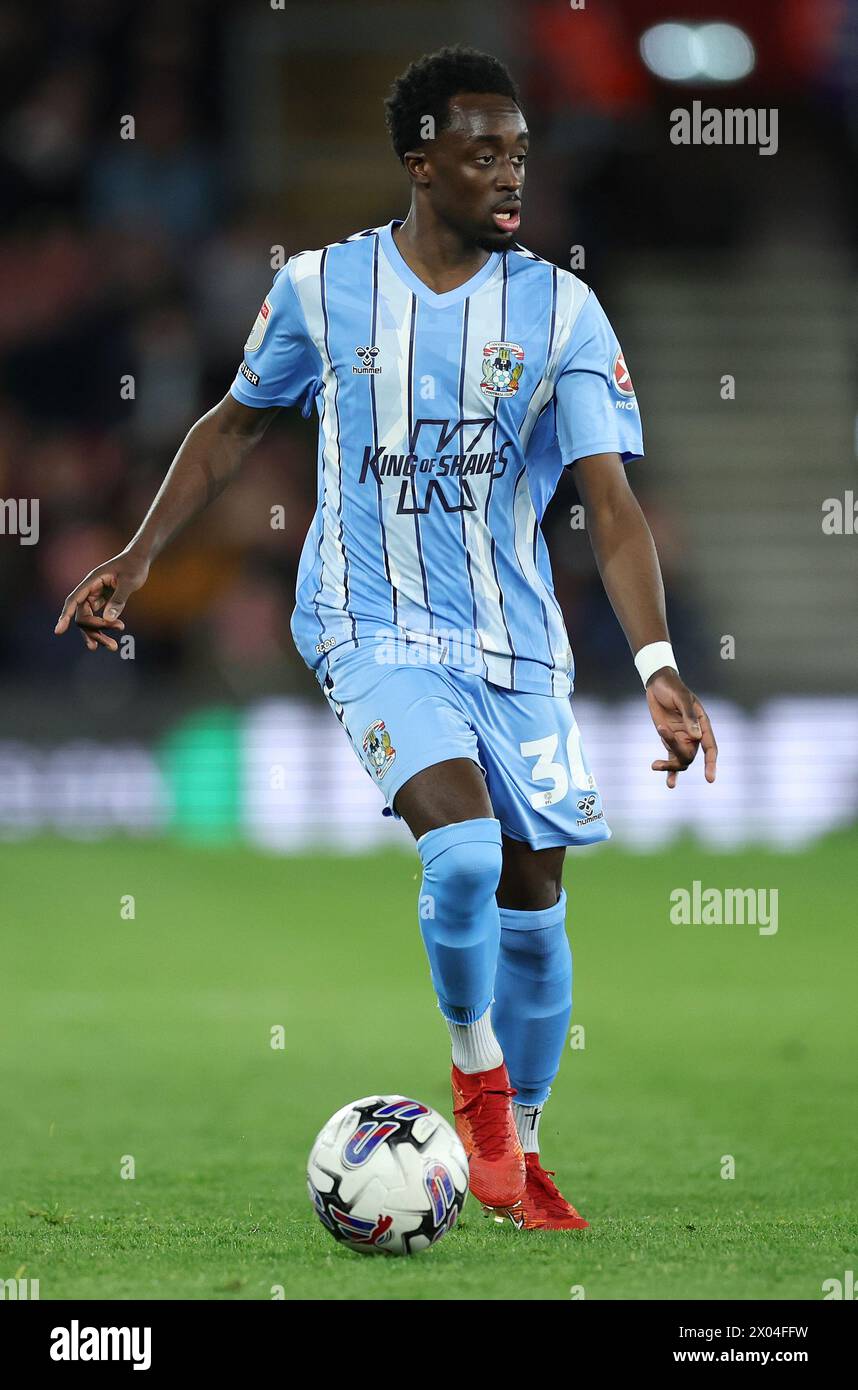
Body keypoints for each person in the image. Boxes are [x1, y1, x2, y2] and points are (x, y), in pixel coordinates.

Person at [55, 46, 717, 1231]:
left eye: (519, 150)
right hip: (367, 625)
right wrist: (140, 551)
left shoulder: (561, 307)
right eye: (482, 151)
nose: (511, 172)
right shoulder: (322, 288)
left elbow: (609, 501)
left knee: (532, 894)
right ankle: (474, 1077)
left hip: (516, 648)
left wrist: (660, 665)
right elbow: (232, 423)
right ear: (421, 161)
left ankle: (520, 1146)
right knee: (460, 856)